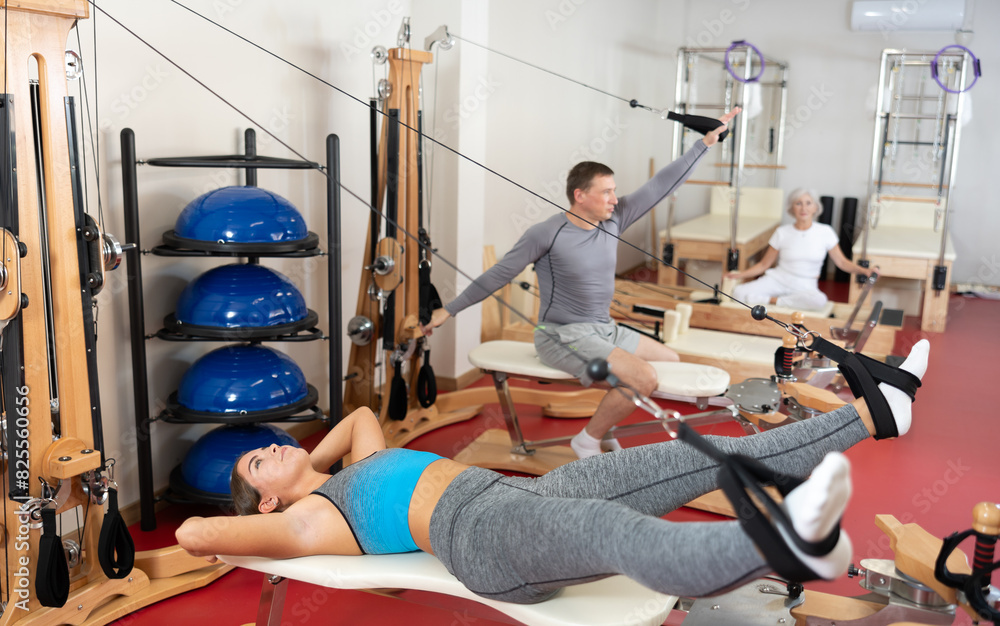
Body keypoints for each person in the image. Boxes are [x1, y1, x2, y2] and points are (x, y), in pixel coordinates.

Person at [176, 340, 930, 605]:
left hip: (516, 494)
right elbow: (195, 530)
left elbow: (355, 421)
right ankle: (782, 542)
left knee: (676, 457)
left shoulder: (356, 462)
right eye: (257, 459)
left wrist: (303, 459)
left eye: (268, 443)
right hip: (483, 540)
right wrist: (263, 509)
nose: (272, 446)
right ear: (266, 496)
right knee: (614, 530)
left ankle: (871, 416)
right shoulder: (309, 521)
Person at [420, 108, 742, 459]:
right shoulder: (546, 233)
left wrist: (706, 143)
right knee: (643, 378)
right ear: (580, 196)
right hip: (560, 336)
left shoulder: (614, 219)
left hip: (603, 328)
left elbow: (662, 185)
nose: (615, 199)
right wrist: (447, 311)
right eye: (606, 192)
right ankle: (587, 439)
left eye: (614, 191)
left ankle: (603, 431)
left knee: (670, 359)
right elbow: (499, 274)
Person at [728, 188, 875, 311]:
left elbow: (842, 263)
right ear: (792, 208)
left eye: (808, 203)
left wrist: (864, 271)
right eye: (798, 203)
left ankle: (772, 301)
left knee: (819, 301)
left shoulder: (825, 232)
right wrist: (739, 275)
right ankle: (783, 300)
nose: (803, 208)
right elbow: (763, 264)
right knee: (738, 293)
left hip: (806, 284)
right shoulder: (782, 232)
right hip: (778, 279)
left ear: (815, 207)